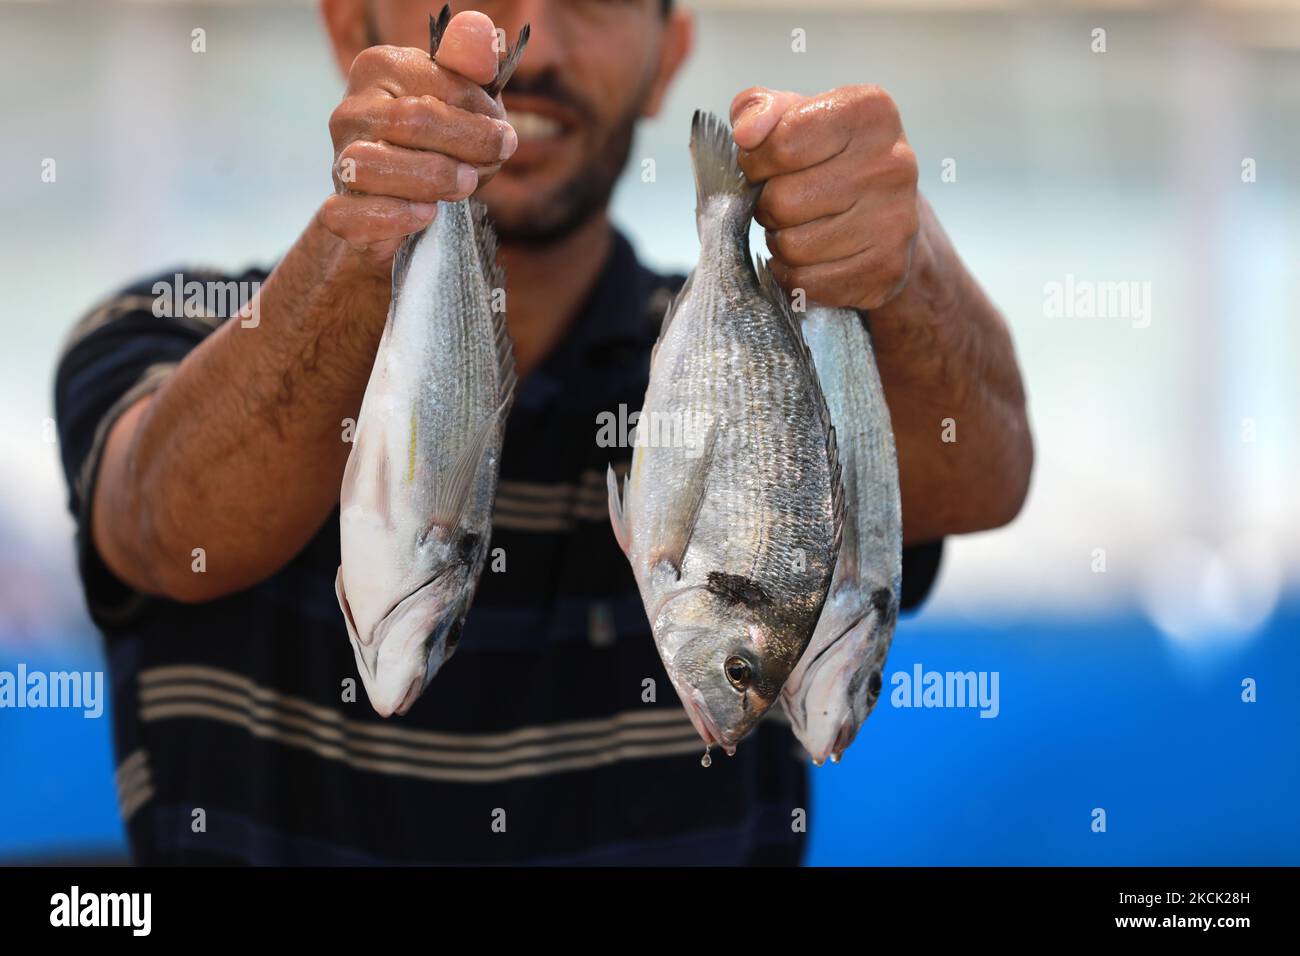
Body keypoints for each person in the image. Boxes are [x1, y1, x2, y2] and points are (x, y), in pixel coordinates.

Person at [54, 0, 1032, 865]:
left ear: (667, 55)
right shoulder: (167, 331)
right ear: (343, 23)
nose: (541, 34)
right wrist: (363, 233)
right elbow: (161, 517)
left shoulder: (754, 379)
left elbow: (984, 475)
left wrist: (903, 264)